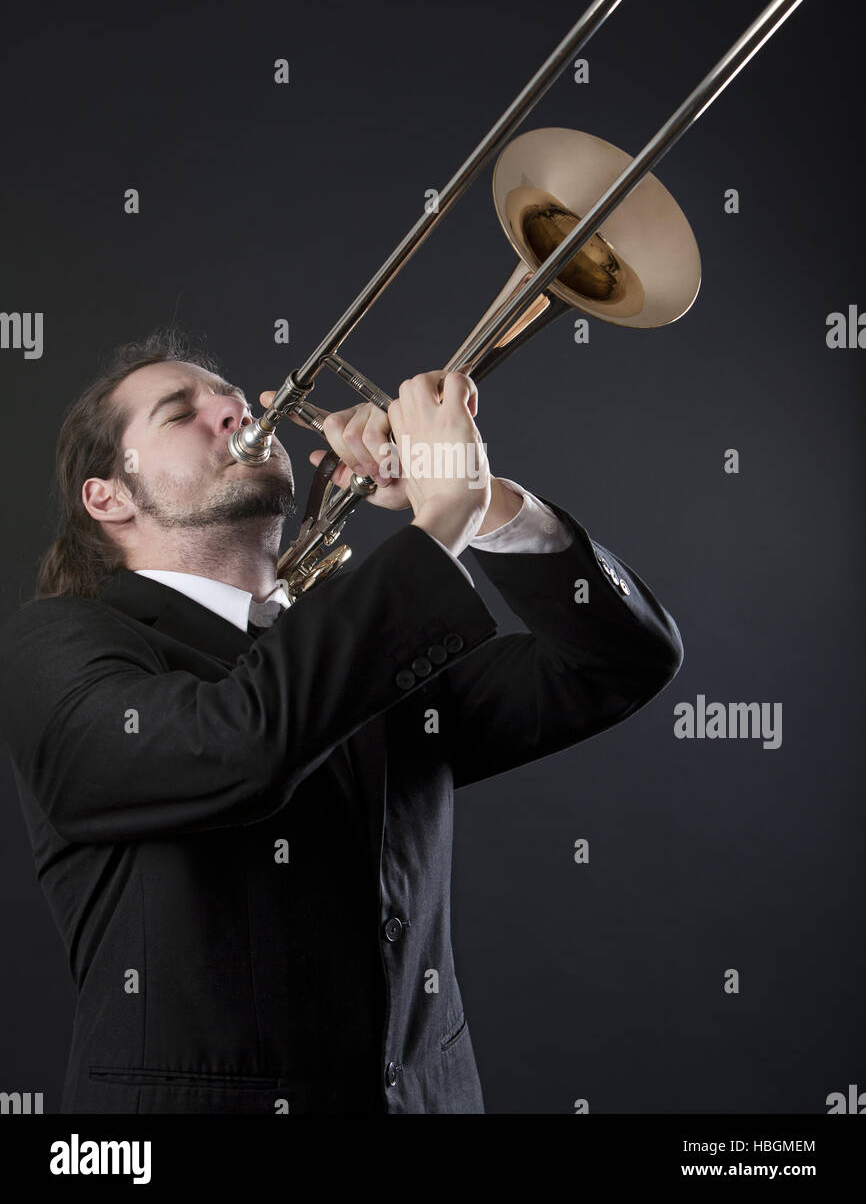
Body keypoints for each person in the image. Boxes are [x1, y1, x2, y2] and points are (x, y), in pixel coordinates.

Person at [0, 329, 683, 1115]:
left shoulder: (362, 647)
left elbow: (619, 664)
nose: (228, 408)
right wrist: (440, 519)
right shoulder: (58, 644)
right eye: (178, 411)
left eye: (227, 393)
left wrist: (487, 501)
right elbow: (236, 745)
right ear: (108, 496)